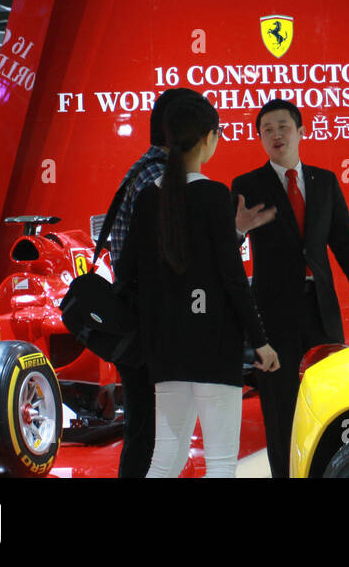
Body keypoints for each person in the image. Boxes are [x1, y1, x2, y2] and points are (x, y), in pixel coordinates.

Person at [116, 93, 280, 478]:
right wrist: (261, 341)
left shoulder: (148, 197)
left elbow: (126, 272)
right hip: (213, 344)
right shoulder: (212, 195)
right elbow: (232, 277)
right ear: (208, 137)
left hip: (164, 348)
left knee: (165, 457)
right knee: (221, 461)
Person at [231, 100, 349, 478]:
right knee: (280, 405)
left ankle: (334, 468)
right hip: (274, 313)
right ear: (259, 138)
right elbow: (226, 246)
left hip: (320, 307)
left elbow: (343, 241)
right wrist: (238, 231)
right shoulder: (247, 185)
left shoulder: (325, 182)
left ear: (300, 131)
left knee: (330, 394)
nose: (276, 134)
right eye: (267, 129)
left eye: (283, 126)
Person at [101, 85, 199, 479]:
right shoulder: (160, 180)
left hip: (139, 324)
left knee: (145, 431)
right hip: (153, 327)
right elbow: (172, 260)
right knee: (152, 436)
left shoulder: (144, 171)